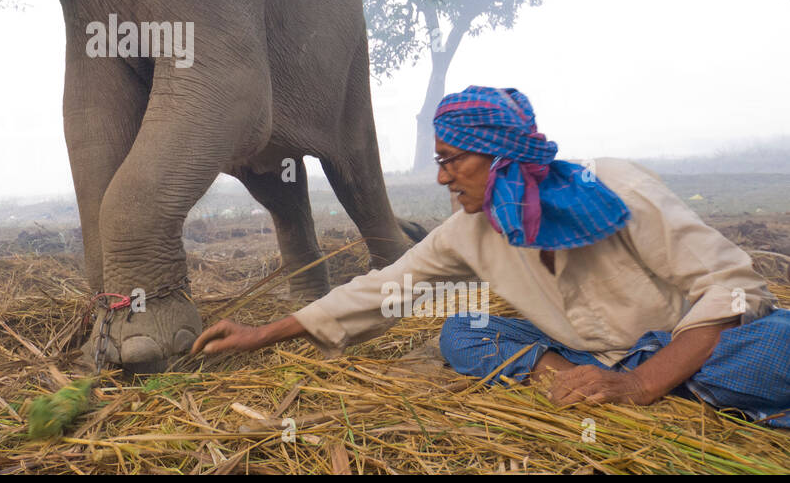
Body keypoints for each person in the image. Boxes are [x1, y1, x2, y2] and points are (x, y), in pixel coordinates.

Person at [193, 85, 790, 428]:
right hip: (589, 355)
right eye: (440, 161)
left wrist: (637, 384)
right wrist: (261, 334)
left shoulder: (611, 184)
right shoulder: (468, 231)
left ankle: (676, 384)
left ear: (499, 155)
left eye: (453, 159)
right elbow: (386, 289)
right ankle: (580, 383)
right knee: (466, 329)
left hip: (691, 340)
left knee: (777, 347)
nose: (443, 177)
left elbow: (733, 289)